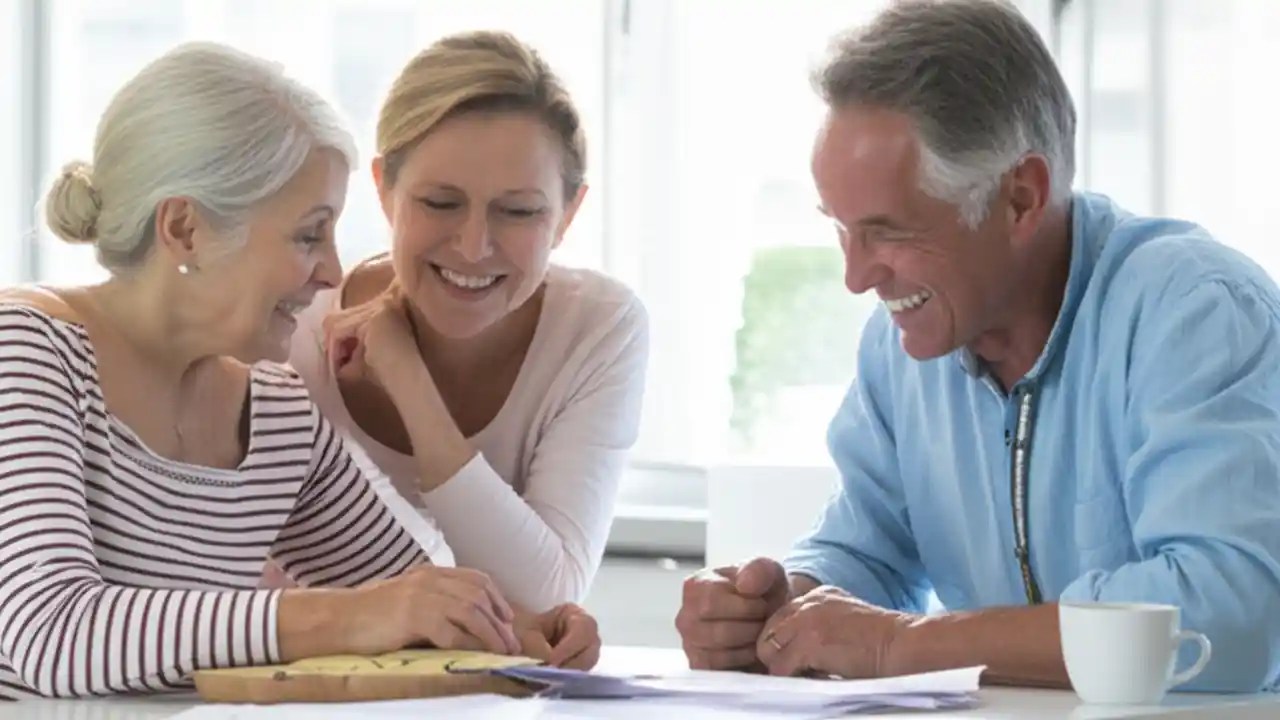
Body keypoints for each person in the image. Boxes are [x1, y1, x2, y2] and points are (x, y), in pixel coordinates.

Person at [675, 0, 1280, 692]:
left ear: (1020, 197)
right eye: (841, 229)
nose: (856, 276)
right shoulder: (899, 343)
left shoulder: (1195, 311)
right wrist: (779, 612)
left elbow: (1229, 616)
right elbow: (871, 554)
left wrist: (902, 647)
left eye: (889, 231)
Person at [0, 42, 596, 702]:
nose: (334, 274)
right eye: (309, 235)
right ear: (186, 229)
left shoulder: (277, 412)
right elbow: (48, 633)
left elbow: (419, 603)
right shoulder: (26, 349)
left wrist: (527, 631)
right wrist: (354, 615)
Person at [285, 30, 649, 612]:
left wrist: (409, 383)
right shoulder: (293, 324)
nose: (475, 246)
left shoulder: (599, 327)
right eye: (441, 203)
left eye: (518, 211)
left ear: (567, 215)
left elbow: (544, 599)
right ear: (384, 191)